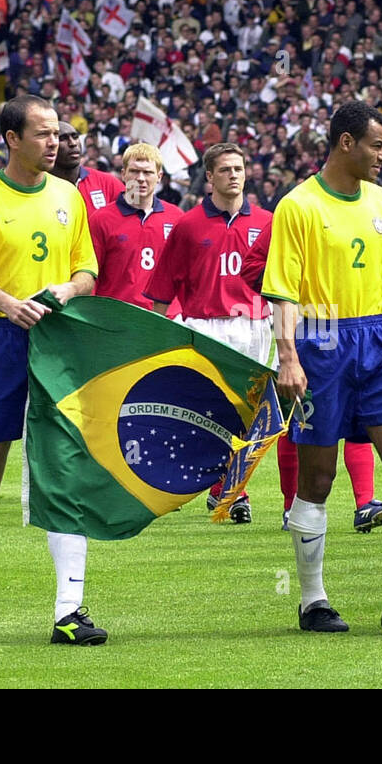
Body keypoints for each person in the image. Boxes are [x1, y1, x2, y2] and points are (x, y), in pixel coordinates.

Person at [262, 100, 382, 635]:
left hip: (378, 341)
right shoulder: (298, 206)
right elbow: (283, 293)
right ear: (345, 143)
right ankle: (313, 601)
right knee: (317, 479)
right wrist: (288, 357)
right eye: (377, 146)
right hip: (320, 340)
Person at [0, 96, 99, 641]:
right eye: (42, 134)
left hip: (57, 342)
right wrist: (10, 303)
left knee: (63, 473)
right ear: (11, 139)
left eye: (57, 133)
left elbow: (87, 268)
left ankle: (69, 610)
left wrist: (68, 287)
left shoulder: (68, 196)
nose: (54, 142)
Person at [145, 142, 271, 525]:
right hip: (205, 326)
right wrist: (160, 336)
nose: (234, 174)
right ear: (210, 177)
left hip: (253, 324)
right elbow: (163, 288)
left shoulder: (267, 221)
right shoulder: (188, 225)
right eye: (226, 169)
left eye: (239, 168)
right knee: (211, 412)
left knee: (249, 414)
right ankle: (227, 489)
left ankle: (226, 489)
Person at [242, 226, 382, 533]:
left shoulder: (365, 208)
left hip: (356, 326)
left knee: (359, 415)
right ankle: (290, 506)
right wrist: (293, 291)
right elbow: (252, 268)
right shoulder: (297, 209)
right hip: (309, 325)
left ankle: (365, 504)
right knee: (299, 418)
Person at [90, 143, 180, 311]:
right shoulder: (101, 219)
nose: (140, 178)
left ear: (159, 176)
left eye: (147, 172)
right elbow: (90, 276)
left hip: (165, 320)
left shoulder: (176, 217)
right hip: (118, 319)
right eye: (134, 171)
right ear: (123, 174)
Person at [51, 120, 124, 219]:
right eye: (63, 138)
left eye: (75, 137)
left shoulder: (106, 181)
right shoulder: (40, 186)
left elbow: (134, 210)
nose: (72, 143)